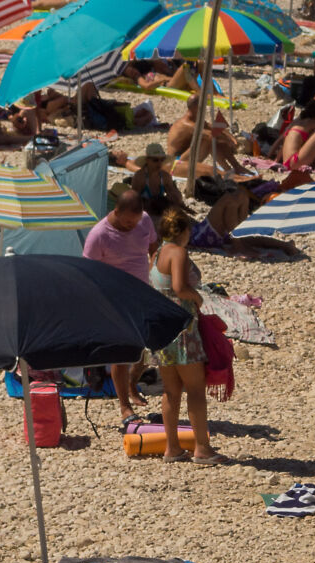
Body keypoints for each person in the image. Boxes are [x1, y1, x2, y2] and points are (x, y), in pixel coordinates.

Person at [149, 210, 220, 465]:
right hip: (183, 329)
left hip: (162, 328)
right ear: (183, 231)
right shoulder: (178, 252)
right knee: (195, 390)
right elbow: (179, 287)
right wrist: (198, 298)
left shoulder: (156, 254)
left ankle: (172, 448)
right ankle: (202, 448)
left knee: (171, 391)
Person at [83, 191, 157, 423]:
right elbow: (88, 273)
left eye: (134, 222)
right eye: (127, 223)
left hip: (143, 294)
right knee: (122, 353)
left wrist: (155, 271)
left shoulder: (144, 220)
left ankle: (132, 385)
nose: (131, 227)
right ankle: (125, 406)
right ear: (116, 211)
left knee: (146, 349)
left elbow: (154, 246)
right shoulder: (99, 235)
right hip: (115, 300)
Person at [167, 98, 246, 176]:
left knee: (217, 135)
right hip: (175, 166)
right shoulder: (186, 124)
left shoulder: (195, 118)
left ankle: (236, 166)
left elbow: (211, 127)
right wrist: (228, 141)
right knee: (210, 139)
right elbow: (210, 135)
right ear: (196, 107)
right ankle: (228, 170)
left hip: (185, 160)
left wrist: (231, 138)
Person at [128, 143, 184, 216]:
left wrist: (174, 194)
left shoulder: (165, 176)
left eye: (162, 160)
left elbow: (176, 198)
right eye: (155, 160)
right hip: (144, 213)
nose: (159, 163)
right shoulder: (140, 177)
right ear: (147, 160)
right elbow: (134, 201)